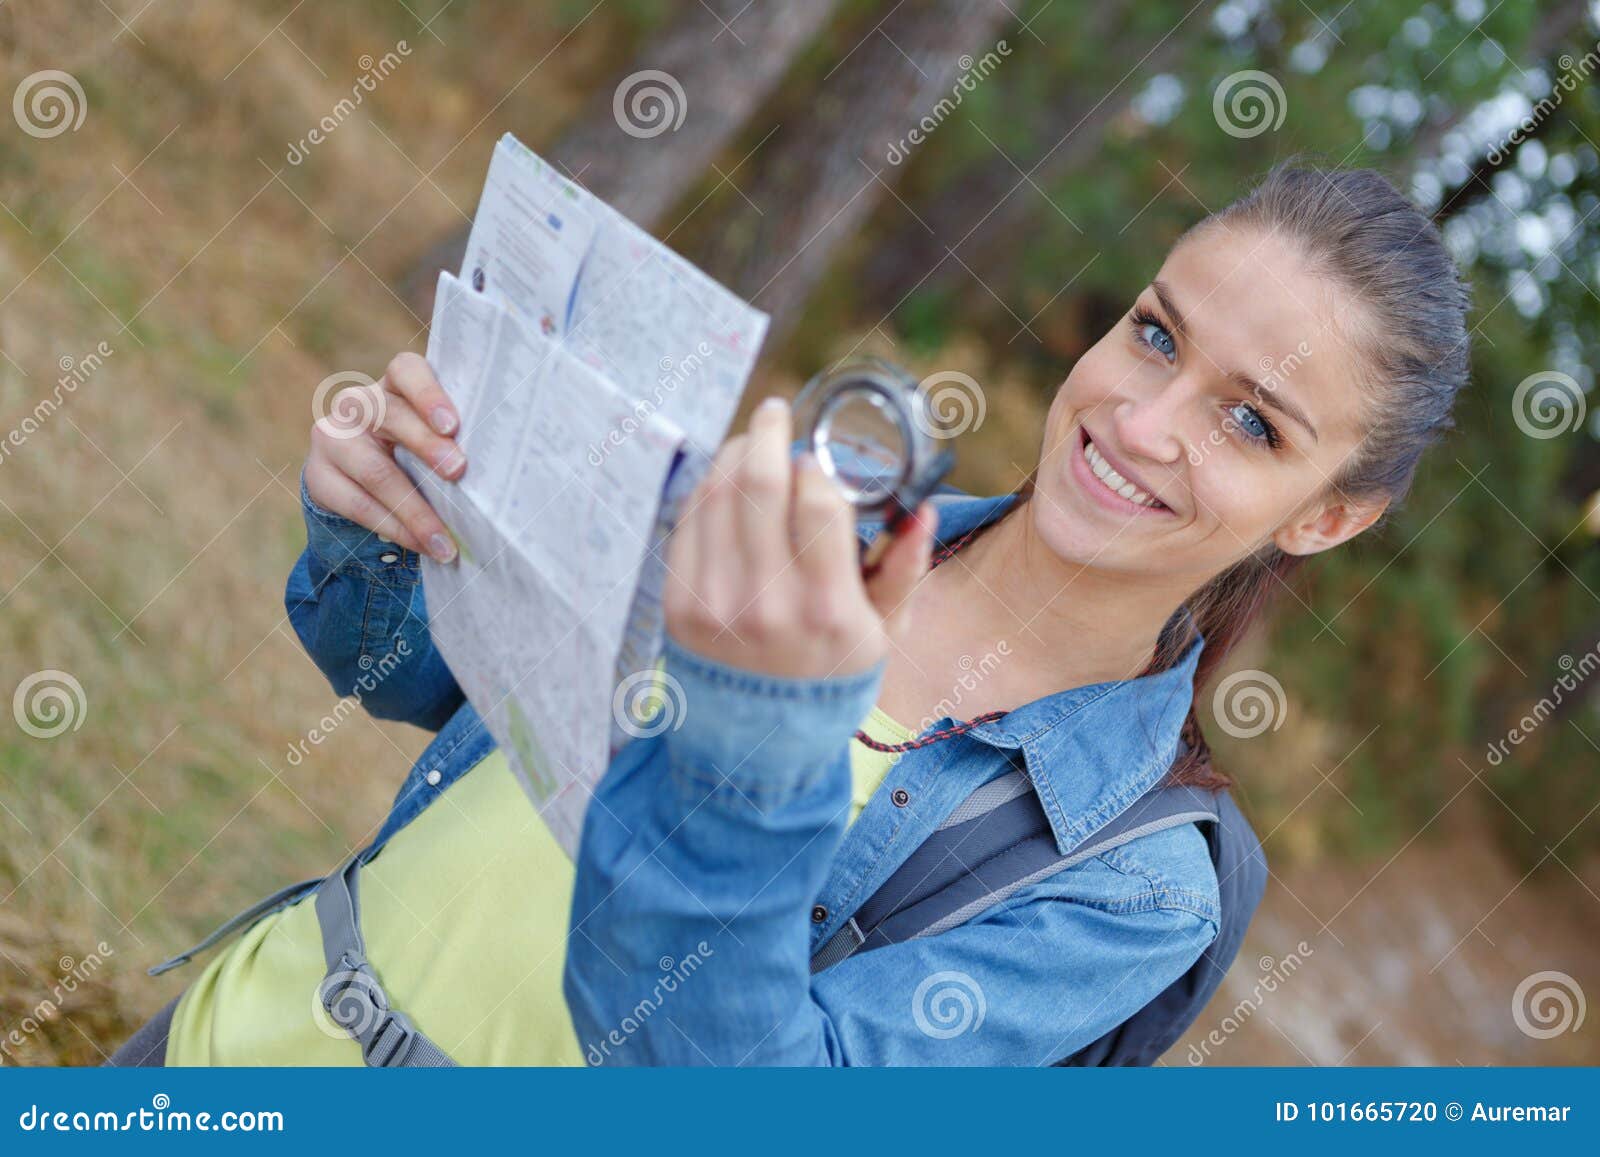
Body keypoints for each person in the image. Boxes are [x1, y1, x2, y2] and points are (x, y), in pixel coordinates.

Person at [110, 160, 1470, 1066]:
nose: (1143, 421)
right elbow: (414, 679)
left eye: (1250, 421)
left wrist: (760, 741)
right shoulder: (808, 515)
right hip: (219, 1042)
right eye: (1158, 336)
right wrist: (378, 521)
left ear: (1327, 514)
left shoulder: (1131, 882)